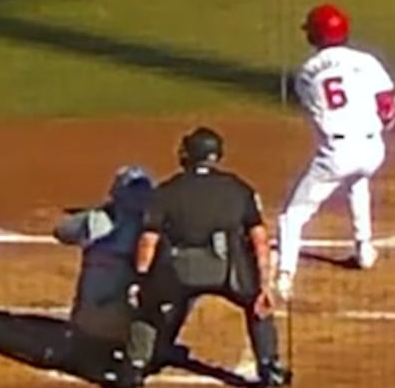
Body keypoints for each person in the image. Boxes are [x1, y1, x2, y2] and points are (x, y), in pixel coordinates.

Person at [123, 127, 292, 387]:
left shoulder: (166, 191)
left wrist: (141, 279)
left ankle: (135, 367)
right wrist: (263, 285)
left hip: (180, 271)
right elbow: (259, 238)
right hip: (228, 269)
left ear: (188, 155)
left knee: (150, 303)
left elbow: (149, 240)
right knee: (258, 305)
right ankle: (270, 368)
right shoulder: (239, 188)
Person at [273, 2, 395, 302]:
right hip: (373, 150)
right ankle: (364, 249)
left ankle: (284, 276)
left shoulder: (305, 74)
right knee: (358, 182)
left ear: (316, 35)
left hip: (337, 153)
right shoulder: (368, 61)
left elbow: (321, 109)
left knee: (293, 216)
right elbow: (387, 116)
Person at [48, 165, 156, 383]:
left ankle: (82, 353)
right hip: (129, 328)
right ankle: (140, 358)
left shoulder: (95, 220)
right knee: (172, 292)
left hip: (87, 324)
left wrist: (101, 213)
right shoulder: (155, 232)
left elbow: (61, 231)